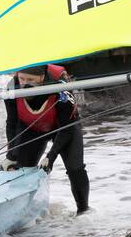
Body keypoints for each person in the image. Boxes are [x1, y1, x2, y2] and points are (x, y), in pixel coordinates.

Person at [5, 63, 90, 215]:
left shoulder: (60, 88)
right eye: (22, 78)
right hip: (32, 127)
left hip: (64, 127)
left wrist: (50, 157)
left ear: (42, 77)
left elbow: (67, 128)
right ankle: (23, 214)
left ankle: (83, 211)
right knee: (20, 167)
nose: (24, 83)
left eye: (30, 79)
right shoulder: (12, 89)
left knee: (75, 168)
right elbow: (12, 124)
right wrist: (11, 154)